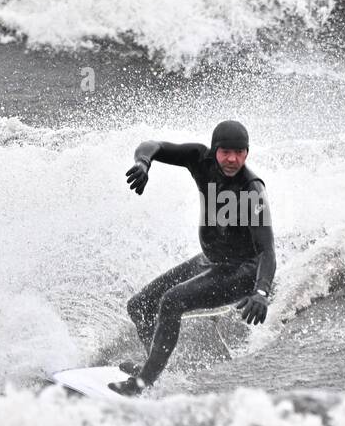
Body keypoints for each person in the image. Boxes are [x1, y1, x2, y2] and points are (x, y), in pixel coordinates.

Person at [110, 120, 275, 395]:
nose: (233, 159)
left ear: (247, 152)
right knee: (140, 305)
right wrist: (143, 163)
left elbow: (267, 251)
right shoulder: (200, 159)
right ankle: (152, 366)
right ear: (214, 151)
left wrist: (261, 291)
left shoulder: (251, 190)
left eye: (240, 152)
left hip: (243, 270)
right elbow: (155, 146)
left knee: (172, 301)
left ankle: (142, 383)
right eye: (225, 152)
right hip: (211, 261)